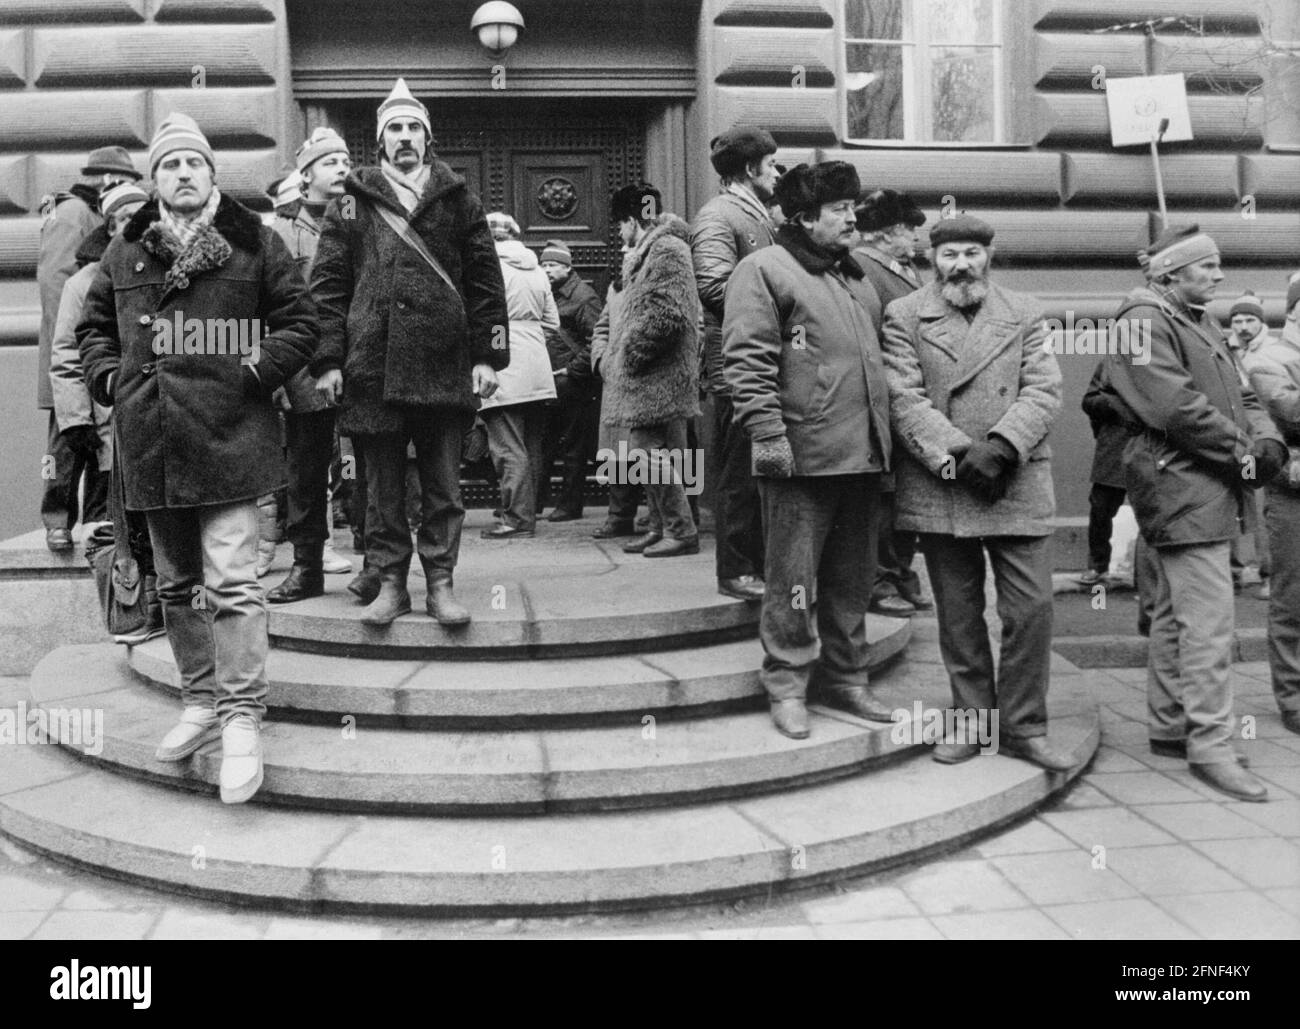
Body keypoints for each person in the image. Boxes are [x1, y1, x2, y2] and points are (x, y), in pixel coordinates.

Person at [77, 114, 318, 803]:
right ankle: (200, 699)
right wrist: (109, 380)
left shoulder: (254, 243)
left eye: (194, 164)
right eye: (170, 165)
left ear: (213, 175)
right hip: (152, 440)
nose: (183, 174)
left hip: (231, 439)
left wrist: (252, 371)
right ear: (154, 180)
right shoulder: (125, 250)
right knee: (178, 584)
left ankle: (242, 717)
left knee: (235, 582)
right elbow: (92, 328)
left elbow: (302, 323)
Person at [310, 78, 509, 626]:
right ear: (380, 142)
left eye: (412, 128)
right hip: (372, 365)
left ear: (427, 138)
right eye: (394, 129)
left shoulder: (459, 199)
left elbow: (486, 285)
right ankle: (392, 585)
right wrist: (328, 360)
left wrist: (489, 356)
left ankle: (440, 584)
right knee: (383, 492)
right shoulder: (351, 202)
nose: (404, 137)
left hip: (444, 364)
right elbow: (327, 285)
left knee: (445, 487)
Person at [882, 213, 1073, 771]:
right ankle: (972, 720)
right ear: (931, 260)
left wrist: (1002, 447)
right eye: (949, 255)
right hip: (944, 484)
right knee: (959, 617)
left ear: (989, 255)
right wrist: (960, 453)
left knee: (1031, 610)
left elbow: (1045, 388)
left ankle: (1024, 726)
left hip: (1015, 479)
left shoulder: (1024, 312)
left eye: (971, 253)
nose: (961, 264)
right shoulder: (904, 315)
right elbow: (901, 395)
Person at [1106, 225, 1285, 801]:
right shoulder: (1141, 321)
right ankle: (1211, 745)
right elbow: (1175, 408)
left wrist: (1267, 442)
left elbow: (1245, 395)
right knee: (1208, 625)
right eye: (1207, 266)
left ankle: (1169, 726)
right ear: (1170, 273)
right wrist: (1246, 455)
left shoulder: (1195, 318)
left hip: (1196, 486)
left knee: (1168, 614)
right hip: (1183, 489)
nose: (1219, 275)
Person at [723, 161, 892, 739]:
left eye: (853, 205)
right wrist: (769, 437)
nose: (853, 216)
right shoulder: (764, 269)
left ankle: (847, 679)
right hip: (801, 457)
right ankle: (788, 683)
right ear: (803, 217)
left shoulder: (856, 275)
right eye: (840, 209)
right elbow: (747, 362)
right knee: (792, 581)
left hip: (863, 457)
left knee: (852, 580)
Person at [49, 182, 160, 645]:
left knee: (161, 516)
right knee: (118, 521)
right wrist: (77, 421)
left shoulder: (161, 270)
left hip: (162, 421)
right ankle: (133, 608)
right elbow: (67, 354)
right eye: (121, 220)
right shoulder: (84, 283)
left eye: (139, 216)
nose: (131, 227)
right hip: (109, 423)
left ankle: (170, 604)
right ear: (109, 227)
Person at [690, 125, 779, 602]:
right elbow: (714, 287)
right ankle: (736, 571)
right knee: (739, 475)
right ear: (750, 169)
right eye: (772, 165)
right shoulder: (718, 217)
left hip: (760, 360)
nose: (778, 172)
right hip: (737, 367)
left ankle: (757, 565)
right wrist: (783, 309)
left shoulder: (756, 214)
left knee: (756, 470)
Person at [266, 128, 355, 603]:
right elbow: (268, 307)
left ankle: (378, 565)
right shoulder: (281, 232)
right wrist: (276, 377)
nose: (341, 168)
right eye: (329, 162)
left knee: (369, 466)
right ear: (305, 177)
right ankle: (306, 568)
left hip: (359, 362)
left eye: (345, 159)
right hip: (304, 370)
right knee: (305, 472)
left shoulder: (364, 220)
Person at [38, 146, 142, 551]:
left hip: (97, 354)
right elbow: (57, 286)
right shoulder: (73, 215)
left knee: (100, 447)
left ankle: (93, 519)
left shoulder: (91, 213)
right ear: (109, 179)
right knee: (69, 441)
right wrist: (70, 349)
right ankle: (57, 520)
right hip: (71, 350)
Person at [592, 183, 701, 559]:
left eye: (620, 225)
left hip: (657, 373)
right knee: (651, 456)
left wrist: (632, 355)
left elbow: (668, 313)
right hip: (654, 373)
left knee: (645, 456)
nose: (619, 233)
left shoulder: (667, 248)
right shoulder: (653, 248)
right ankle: (658, 527)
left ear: (631, 219)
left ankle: (681, 531)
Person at [853, 188, 932, 618]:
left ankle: (901, 574)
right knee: (883, 501)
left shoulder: (900, 268)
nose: (915, 239)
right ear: (885, 235)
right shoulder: (864, 270)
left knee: (905, 496)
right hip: (885, 404)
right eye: (908, 231)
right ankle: (879, 582)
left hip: (909, 401)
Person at [1240, 273, 1300, 737]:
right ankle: (1294, 697)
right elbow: (1289, 412)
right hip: (1293, 495)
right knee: (1292, 599)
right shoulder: (1268, 359)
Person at [478, 211, 559, 539]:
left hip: (504, 366)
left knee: (507, 447)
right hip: (537, 369)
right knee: (531, 445)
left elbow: (482, 316)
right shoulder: (537, 269)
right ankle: (528, 513)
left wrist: (494, 346)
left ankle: (516, 518)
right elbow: (552, 323)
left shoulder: (487, 267)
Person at [537, 239, 602, 521]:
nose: (546, 270)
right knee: (544, 444)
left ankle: (570, 505)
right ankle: (535, 502)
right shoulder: (545, 293)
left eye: (552, 265)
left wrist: (571, 370)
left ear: (567, 267)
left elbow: (597, 341)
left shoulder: (584, 297)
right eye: (543, 265)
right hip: (550, 383)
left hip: (576, 385)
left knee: (575, 447)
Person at [1225, 291, 1273, 594]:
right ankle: (1233, 573)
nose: (1243, 326)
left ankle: (1269, 574)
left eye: (1250, 320)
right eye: (1238, 320)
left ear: (1261, 322)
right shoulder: (1223, 351)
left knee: (1264, 507)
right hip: (1236, 443)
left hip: (1266, 444)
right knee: (1233, 503)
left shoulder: (1273, 351)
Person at [1079, 357, 1130, 586]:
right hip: (1115, 447)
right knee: (1100, 510)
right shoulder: (1109, 363)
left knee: (1155, 509)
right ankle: (1097, 567)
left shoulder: (1163, 355)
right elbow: (1089, 401)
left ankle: (1156, 571)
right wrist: (1120, 403)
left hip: (1153, 447)